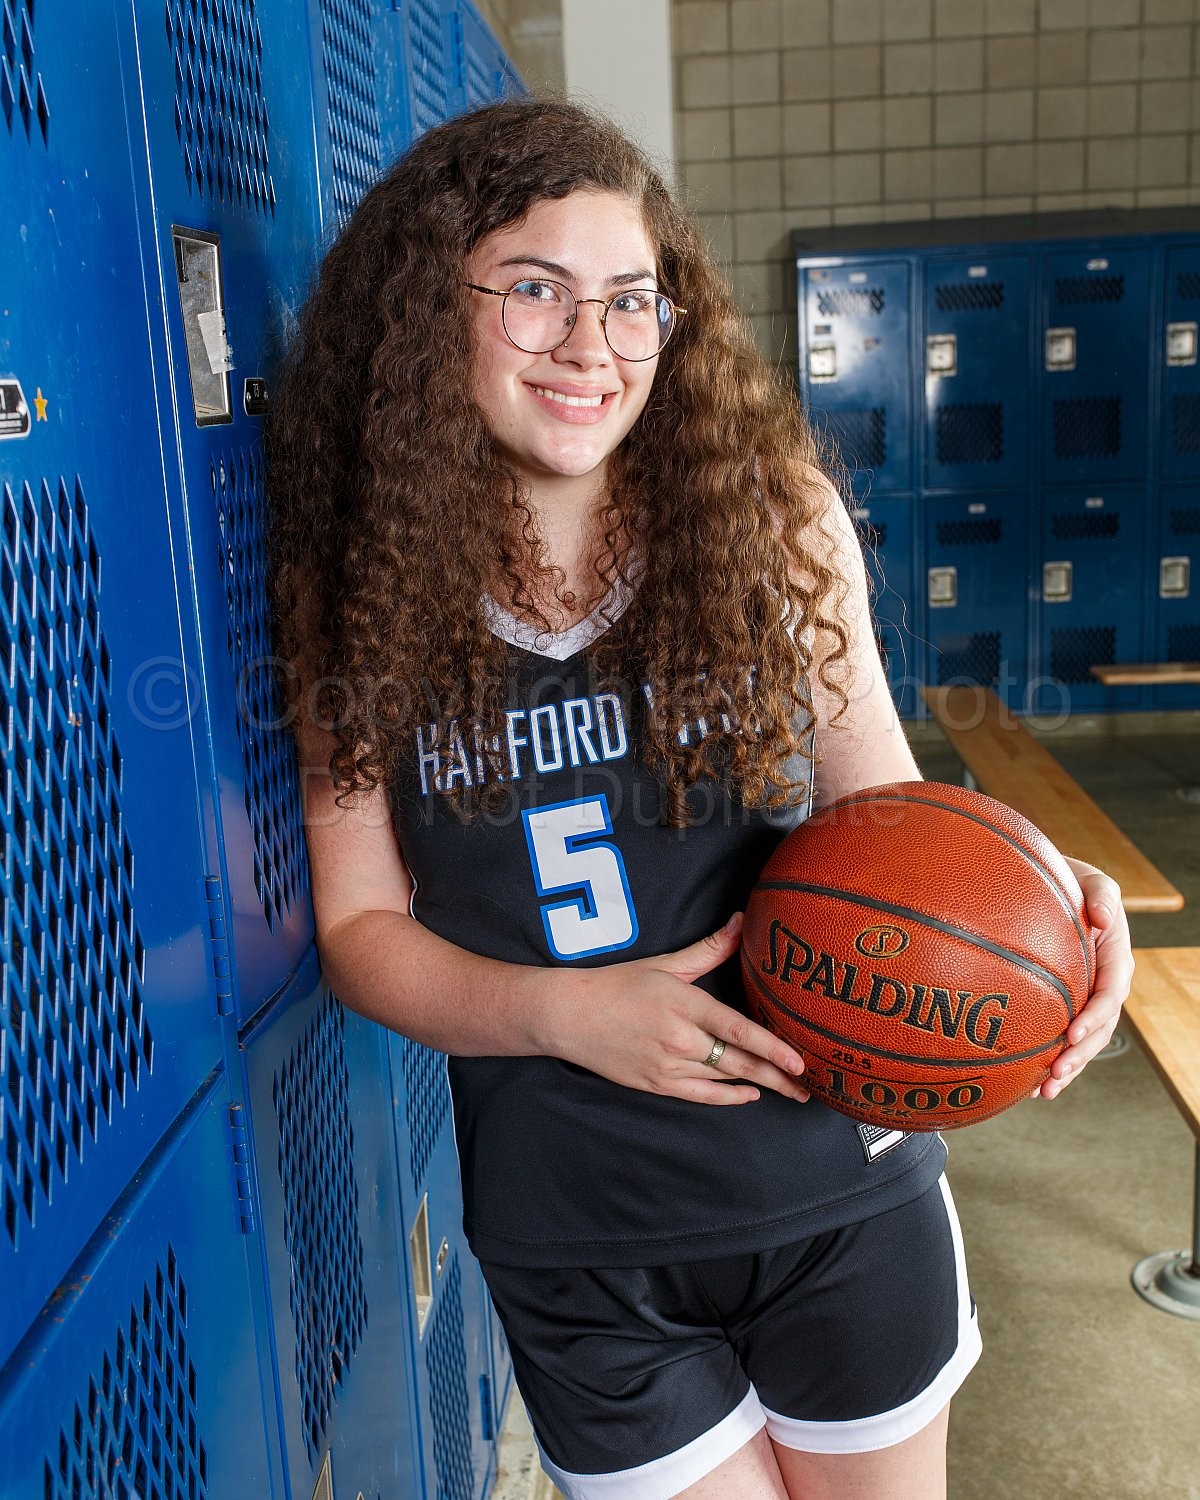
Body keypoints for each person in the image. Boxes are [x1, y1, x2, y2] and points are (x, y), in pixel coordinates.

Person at [265, 97, 1134, 1500]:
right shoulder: (361, 589)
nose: (591, 347)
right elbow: (361, 930)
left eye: (630, 301)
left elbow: (890, 814)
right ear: (432, 307)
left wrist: (1053, 908)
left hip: (840, 1191)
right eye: (534, 293)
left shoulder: (772, 517)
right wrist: (565, 1011)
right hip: (580, 1230)